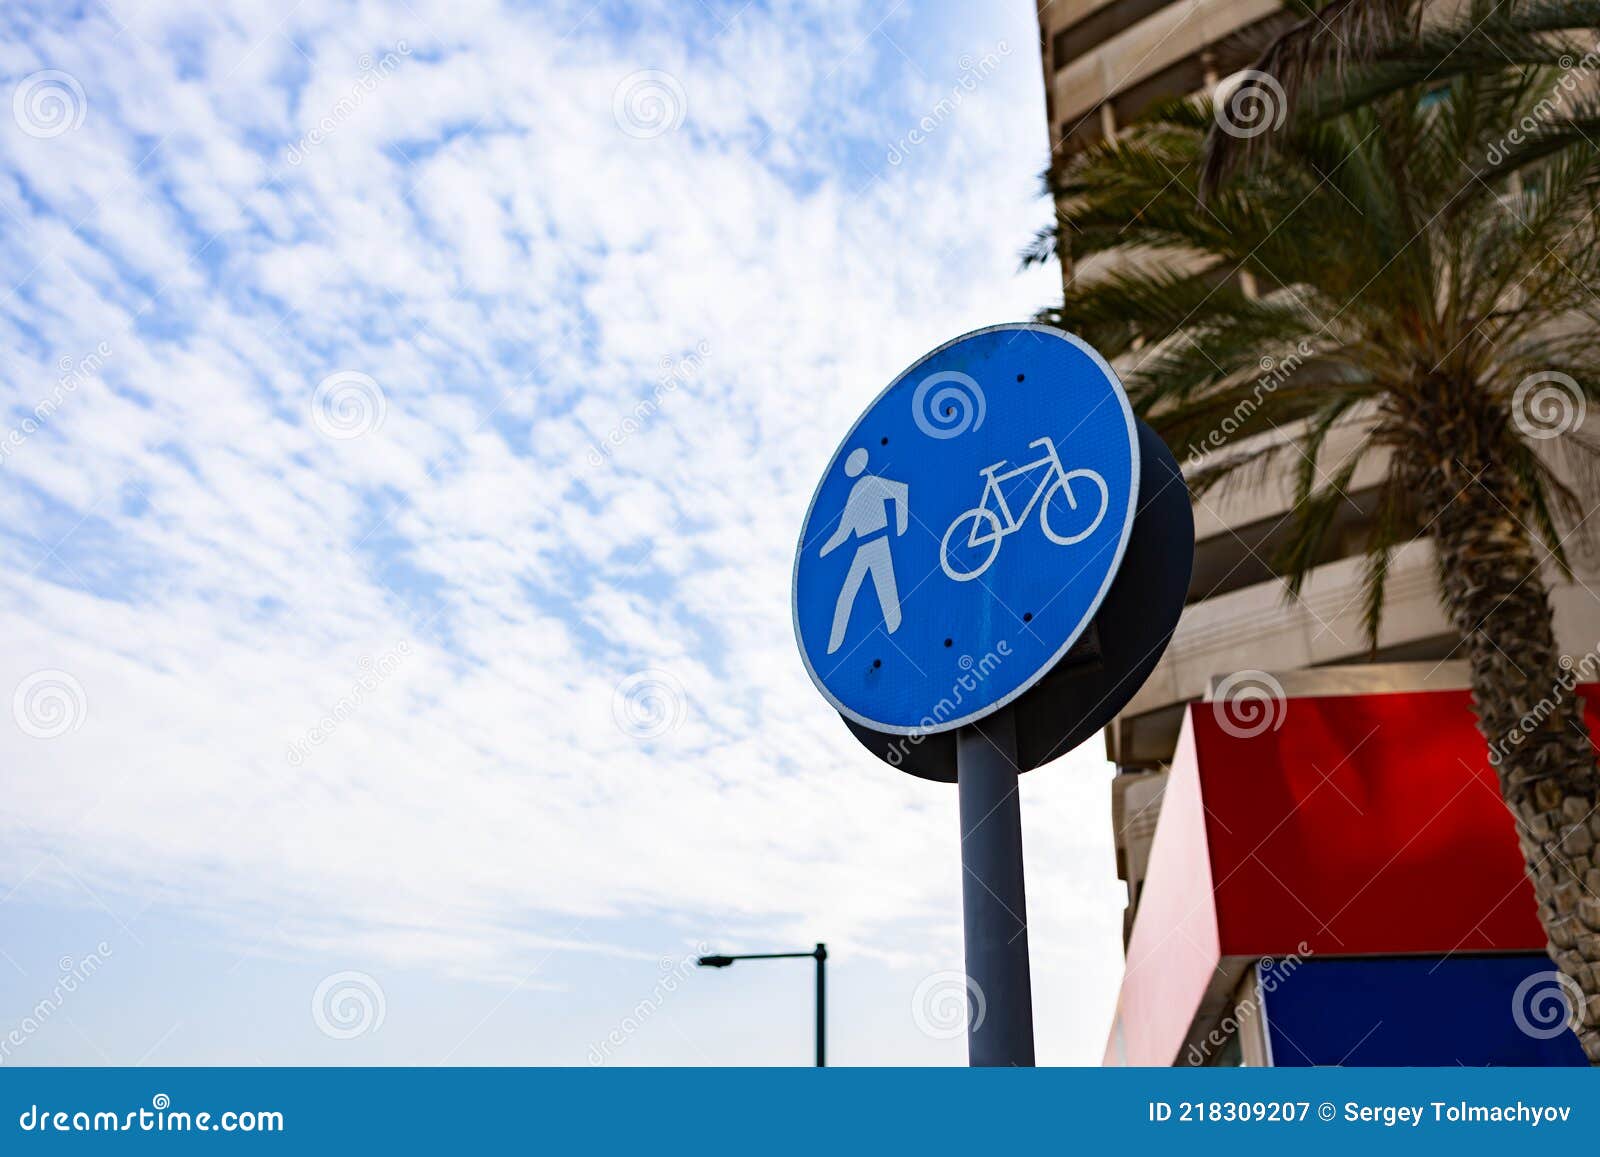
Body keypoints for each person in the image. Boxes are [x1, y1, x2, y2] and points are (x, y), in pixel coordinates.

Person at [819, 448, 909, 655]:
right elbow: (843, 533)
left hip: (879, 543)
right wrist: (821, 552)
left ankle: (899, 639)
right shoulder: (854, 492)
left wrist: (901, 527)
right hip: (864, 547)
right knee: (847, 593)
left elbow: (901, 491)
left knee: (887, 594)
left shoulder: (869, 483)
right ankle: (835, 645)